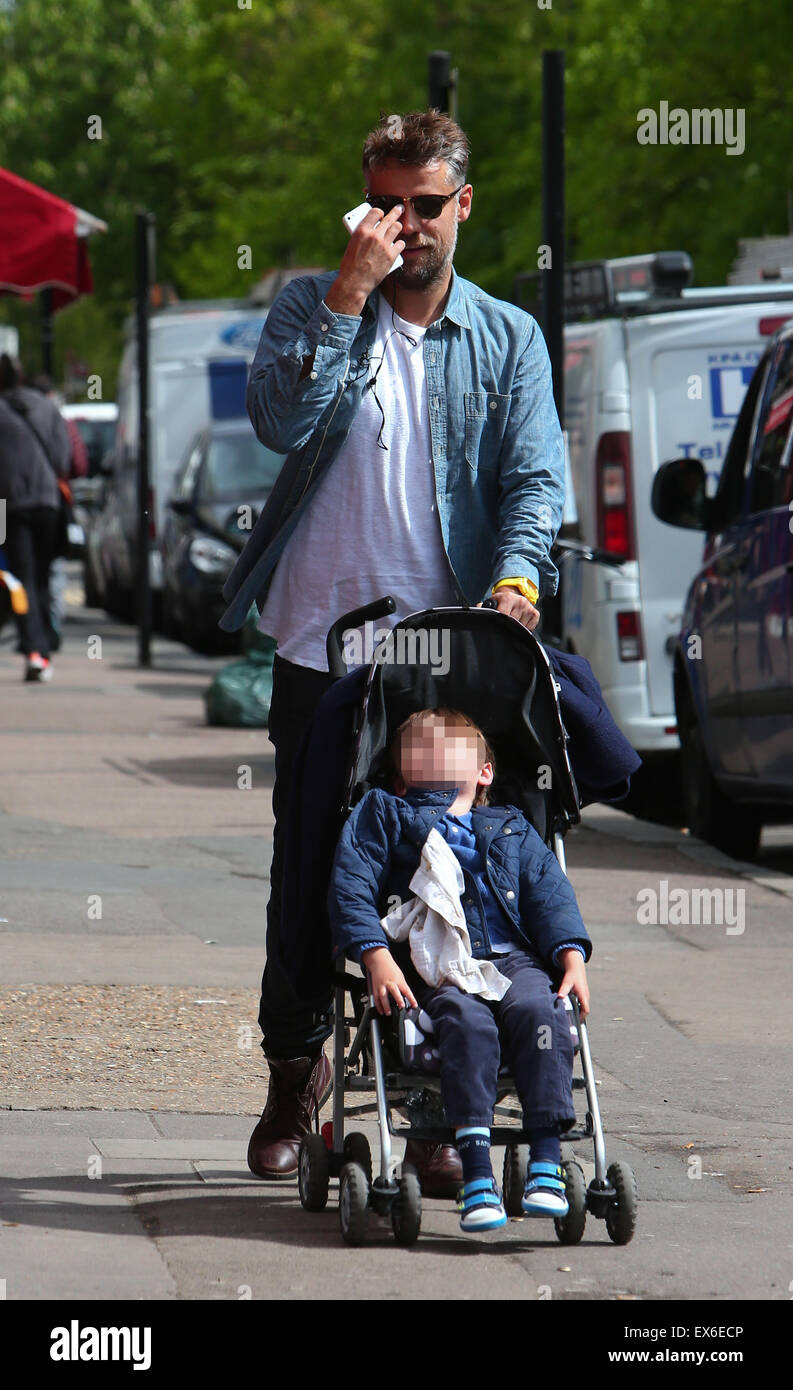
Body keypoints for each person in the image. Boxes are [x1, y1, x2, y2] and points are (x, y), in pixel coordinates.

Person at [219, 109, 567, 1190]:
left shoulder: (508, 338)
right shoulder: (314, 306)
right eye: (385, 203)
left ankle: (436, 1095)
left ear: (463, 205)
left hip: (449, 660)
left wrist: (517, 580)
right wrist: (344, 294)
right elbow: (277, 422)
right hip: (322, 648)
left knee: (442, 871)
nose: (404, 224)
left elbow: (533, 484)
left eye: (425, 204)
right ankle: (294, 1071)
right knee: (309, 870)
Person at [328, 707, 591, 1231]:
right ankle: (476, 1173)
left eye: (450, 744)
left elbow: (550, 894)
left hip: (510, 956)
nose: (434, 748)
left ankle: (544, 1159)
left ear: (484, 771)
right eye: (419, 745)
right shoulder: (386, 812)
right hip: (434, 965)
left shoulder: (511, 826)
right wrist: (374, 953)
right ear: (401, 775)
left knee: (544, 1012)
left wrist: (571, 955)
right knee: (466, 1026)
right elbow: (351, 886)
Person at [0, 355, 71, 681]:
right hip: (48, 501)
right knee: (41, 576)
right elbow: (62, 458)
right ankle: (43, 645)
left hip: (11, 505)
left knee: (22, 578)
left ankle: (36, 652)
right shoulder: (46, 405)